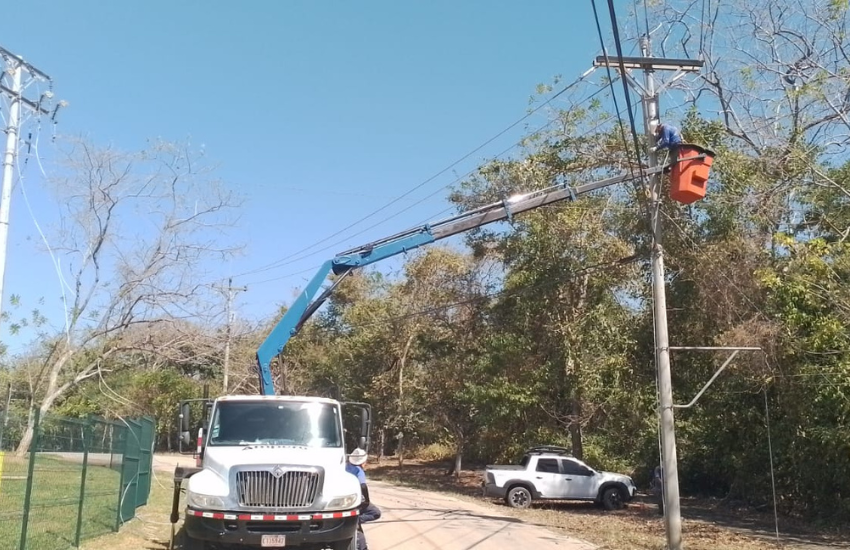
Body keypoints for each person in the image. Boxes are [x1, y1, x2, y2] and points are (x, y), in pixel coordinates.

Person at [346, 448, 381, 550]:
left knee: (357, 525)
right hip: (355, 500)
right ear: (363, 462)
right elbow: (363, 486)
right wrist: (366, 500)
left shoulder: (346, 467)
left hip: (345, 500)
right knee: (375, 513)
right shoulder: (359, 471)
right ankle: (357, 521)